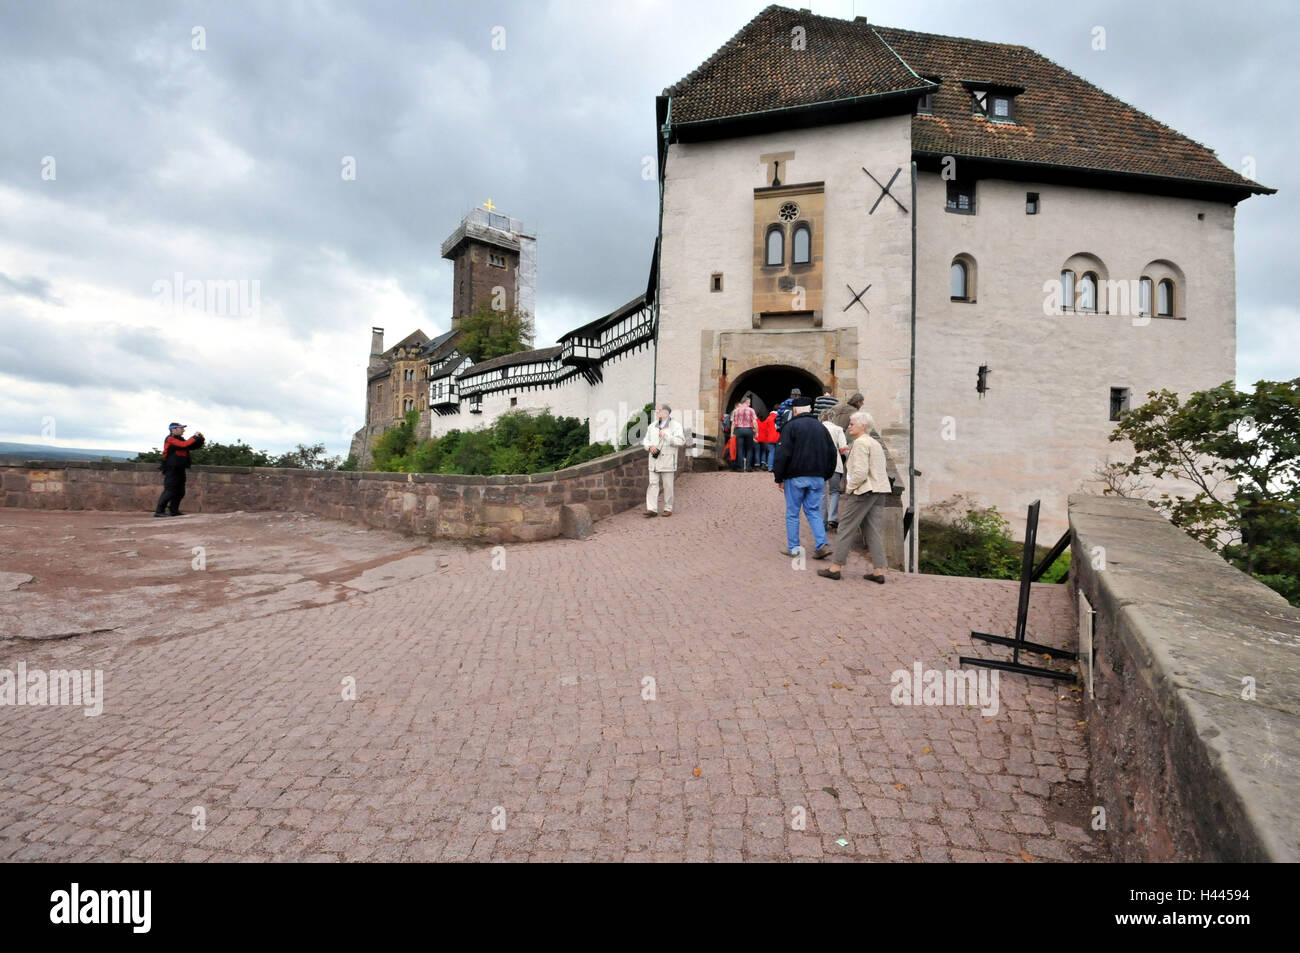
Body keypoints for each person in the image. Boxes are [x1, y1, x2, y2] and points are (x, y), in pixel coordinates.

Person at [818, 410, 891, 583]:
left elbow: (859, 473)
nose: (849, 426)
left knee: (845, 528)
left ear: (863, 426)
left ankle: (836, 567)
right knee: (873, 531)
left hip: (863, 491)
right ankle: (879, 570)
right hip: (879, 490)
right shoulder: (875, 443)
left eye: (852, 424)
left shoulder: (860, 443)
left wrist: (849, 488)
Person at [772, 396, 837, 559]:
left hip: (796, 476)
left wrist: (778, 477)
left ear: (795, 410)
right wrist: (826, 475)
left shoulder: (791, 427)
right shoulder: (821, 428)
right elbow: (832, 453)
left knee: (793, 512)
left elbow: (782, 454)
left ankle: (794, 548)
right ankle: (822, 544)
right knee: (813, 511)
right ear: (810, 410)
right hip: (817, 477)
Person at [154, 422, 205, 517]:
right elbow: (184, 445)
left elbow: (191, 446)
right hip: (171, 468)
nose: (183, 430)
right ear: (173, 429)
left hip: (180, 468)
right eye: (181, 428)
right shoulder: (170, 439)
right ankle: (159, 511)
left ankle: (174, 510)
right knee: (170, 490)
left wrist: (200, 439)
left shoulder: (179, 439)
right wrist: (194, 437)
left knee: (180, 491)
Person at [642, 403, 685, 517]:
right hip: (654, 460)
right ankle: (652, 509)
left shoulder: (676, 426)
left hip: (668, 460)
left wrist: (666, 436)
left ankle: (668, 508)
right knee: (653, 484)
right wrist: (649, 446)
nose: (657, 413)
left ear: (665, 413)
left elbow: (680, 441)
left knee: (668, 485)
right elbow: (645, 440)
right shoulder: (652, 426)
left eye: (659, 411)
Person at [819, 409, 848, 530]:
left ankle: (822, 520)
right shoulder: (838, 429)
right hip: (835, 463)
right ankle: (833, 518)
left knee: (821, 493)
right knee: (834, 491)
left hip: (819, 464)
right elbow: (843, 448)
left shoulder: (817, 428)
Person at [729, 394, 758, 472]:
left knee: (740, 449)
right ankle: (748, 467)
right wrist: (756, 432)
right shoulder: (751, 410)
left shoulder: (736, 410)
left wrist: (732, 433)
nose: (750, 404)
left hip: (739, 430)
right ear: (747, 402)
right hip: (748, 430)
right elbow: (755, 422)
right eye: (749, 402)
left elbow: (733, 423)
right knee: (749, 449)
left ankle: (740, 468)